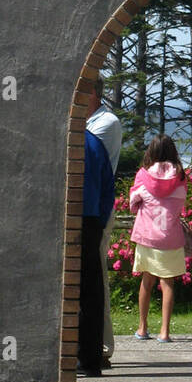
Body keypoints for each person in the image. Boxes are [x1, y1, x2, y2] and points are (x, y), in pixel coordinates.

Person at [129, 135, 187, 343]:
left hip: (147, 235)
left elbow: (133, 202)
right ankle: (165, 331)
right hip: (170, 235)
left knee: (147, 280)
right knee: (168, 282)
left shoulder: (143, 175)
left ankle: (142, 327)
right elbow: (181, 203)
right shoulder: (180, 176)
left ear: (151, 152)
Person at [85, 77, 122, 366]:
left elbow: (84, 153)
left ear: (93, 95)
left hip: (97, 207)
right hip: (92, 204)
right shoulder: (92, 122)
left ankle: (101, 346)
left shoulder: (105, 123)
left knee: (95, 278)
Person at [79, 121, 115, 377]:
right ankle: (90, 357)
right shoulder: (94, 142)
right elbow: (108, 190)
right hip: (89, 221)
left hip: (63, 220)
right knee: (91, 292)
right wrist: (99, 222)